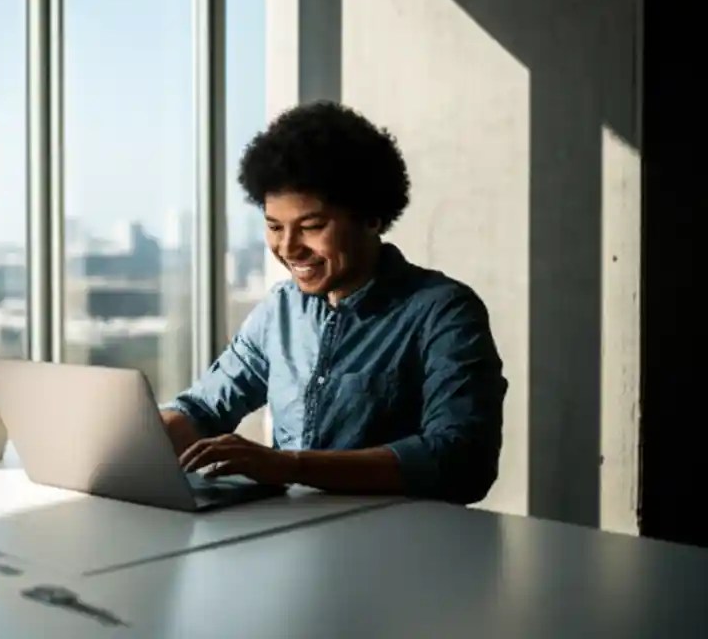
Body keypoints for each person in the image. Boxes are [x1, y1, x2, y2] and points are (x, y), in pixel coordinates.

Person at [163, 101, 507, 504]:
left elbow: (462, 461)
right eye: (274, 227)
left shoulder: (443, 312)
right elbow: (203, 410)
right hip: (290, 541)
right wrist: (138, 441)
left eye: (311, 227)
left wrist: (290, 466)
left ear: (372, 218)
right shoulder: (281, 311)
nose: (288, 248)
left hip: (401, 548)